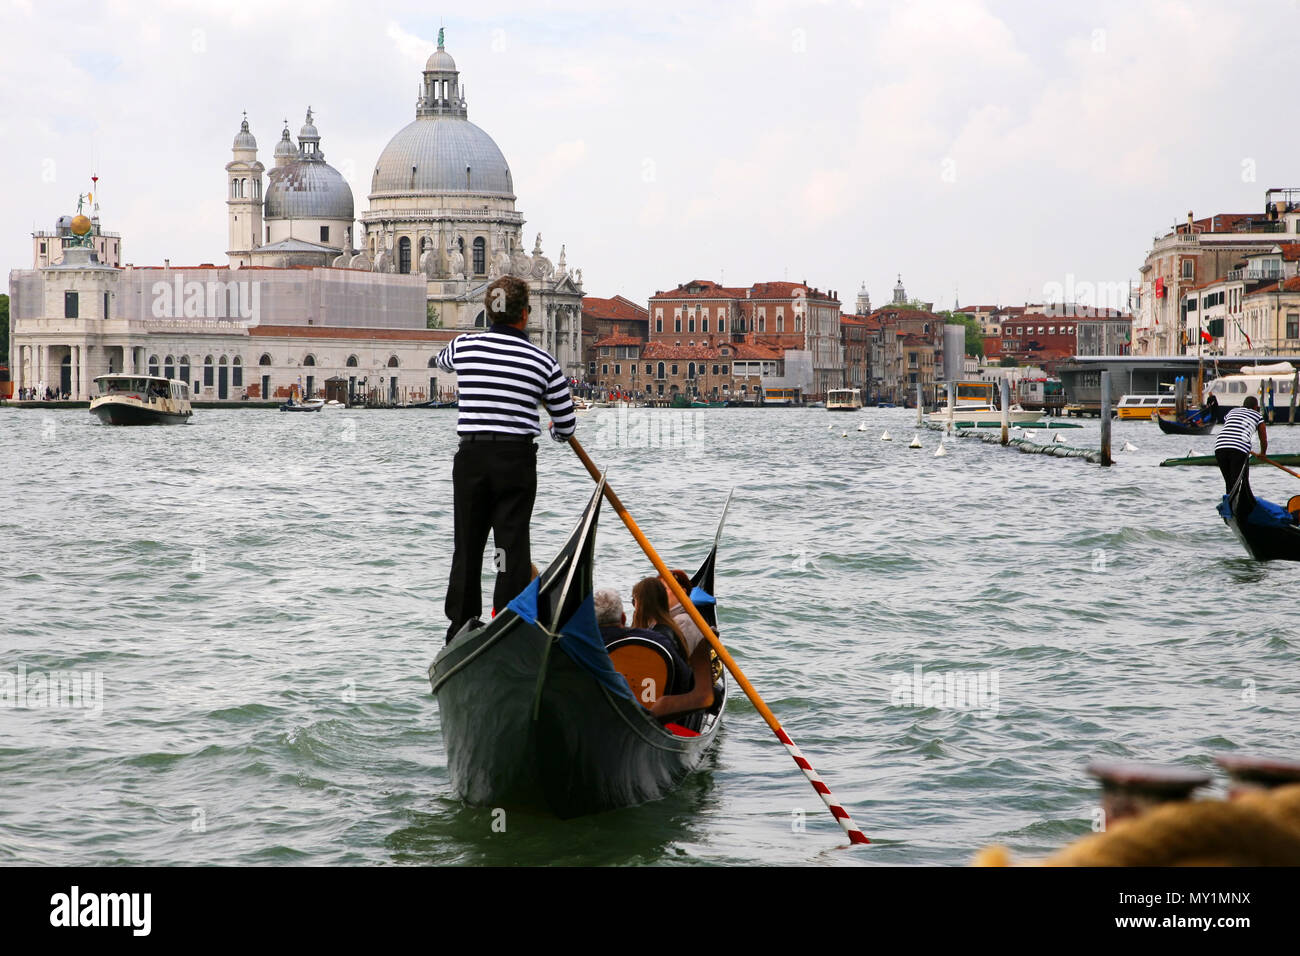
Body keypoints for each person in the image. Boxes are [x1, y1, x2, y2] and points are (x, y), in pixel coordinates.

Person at [437, 275, 577, 642]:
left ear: (488, 312)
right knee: (509, 545)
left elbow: (442, 361)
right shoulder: (543, 362)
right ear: (525, 315)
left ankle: (461, 623)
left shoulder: (464, 347)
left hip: (472, 458)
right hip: (515, 460)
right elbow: (566, 424)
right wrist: (553, 431)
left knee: (468, 542)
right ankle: (508, 617)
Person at [630, 576, 714, 719]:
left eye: (634, 601)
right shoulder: (662, 628)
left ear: (643, 603)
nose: (634, 606)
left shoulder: (676, 626)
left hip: (673, 701)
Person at [1215, 395, 1266, 520]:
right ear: (1256, 407)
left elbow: (1230, 425)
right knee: (1239, 481)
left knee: (1230, 482)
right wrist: (1263, 453)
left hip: (1220, 446)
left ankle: (1231, 510)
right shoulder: (1257, 415)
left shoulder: (1232, 411)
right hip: (1239, 448)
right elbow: (1263, 437)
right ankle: (1237, 511)